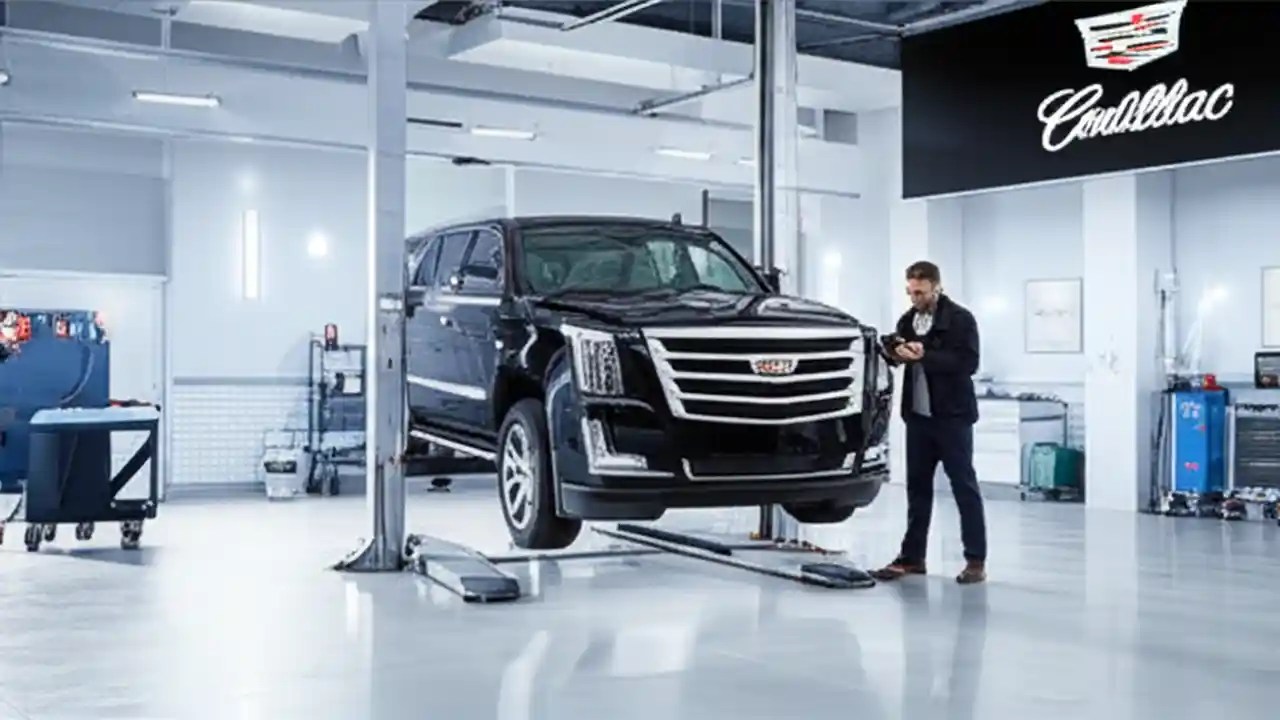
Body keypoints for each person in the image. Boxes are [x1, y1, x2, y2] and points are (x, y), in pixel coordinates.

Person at [872, 261, 987, 585]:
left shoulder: (961, 320)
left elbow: (968, 362)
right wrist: (896, 350)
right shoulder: (908, 320)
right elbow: (898, 355)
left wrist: (925, 356)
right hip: (919, 419)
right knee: (917, 490)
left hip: (952, 419)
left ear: (936, 287)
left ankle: (975, 560)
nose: (914, 297)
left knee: (964, 487)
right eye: (910, 291)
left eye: (920, 292)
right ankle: (912, 557)